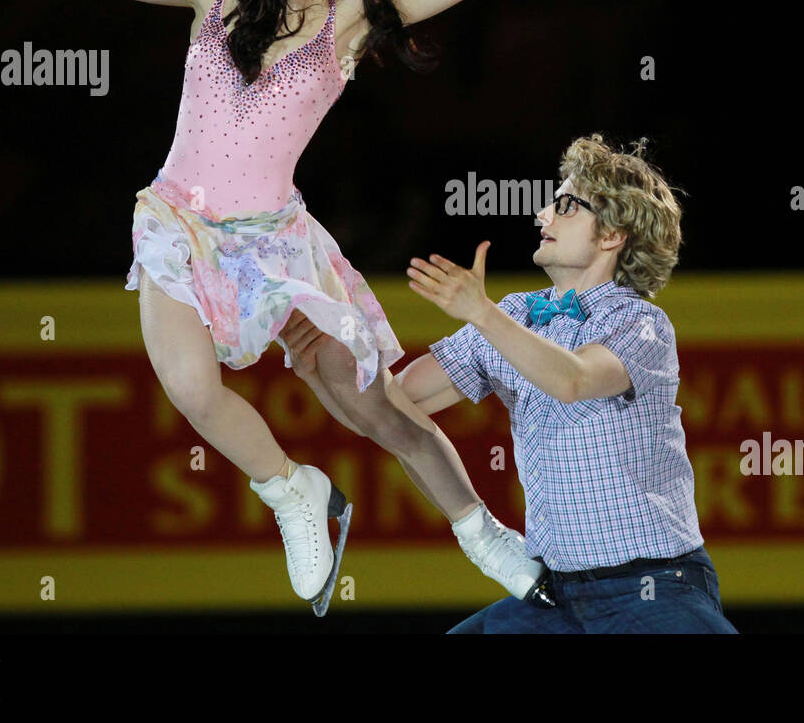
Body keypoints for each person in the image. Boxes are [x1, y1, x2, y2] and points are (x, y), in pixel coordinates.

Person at [5, 0, 640, 617]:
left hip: (277, 248)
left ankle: (483, 535)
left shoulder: (349, 20)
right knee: (194, 392)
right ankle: (296, 492)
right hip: (177, 228)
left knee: (378, 409)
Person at [286, 135, 738, 632]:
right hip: (554, 596)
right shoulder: (517, 313)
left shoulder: (640, 323)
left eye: (566, 205)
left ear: (612, 234)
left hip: (653, 590)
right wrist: (320, 365)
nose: (542, 215)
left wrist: (480, 313)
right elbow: (389, 408)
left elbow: (573, 378)